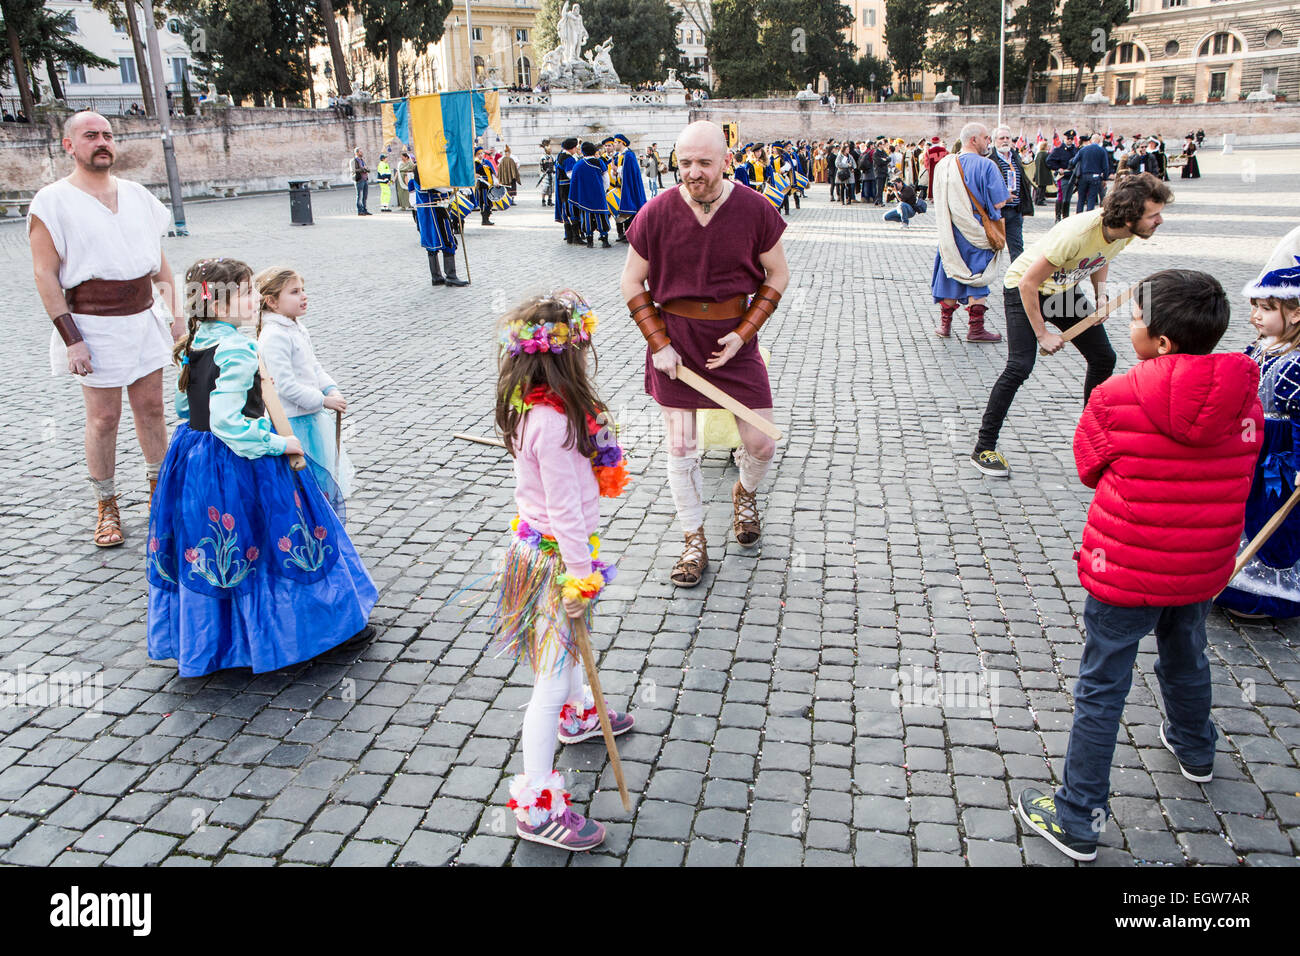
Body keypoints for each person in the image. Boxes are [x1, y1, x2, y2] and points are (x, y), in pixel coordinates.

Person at [1017, 270, 1262, 861]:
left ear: (1162, 342)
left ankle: (1077, 815)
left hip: (1126, 566)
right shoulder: (1243, 397)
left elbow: (1090, 467)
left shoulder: (1114, 397)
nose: (1127, 325)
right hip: (1202, 564)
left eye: (1134, 318)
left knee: (1102, 683)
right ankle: (1194, 747)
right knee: (1187, 651)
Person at [147, 257, 378, 678]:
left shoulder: (195, 343)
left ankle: (225, 639)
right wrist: (279, 441)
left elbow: (186, 407)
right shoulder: (238, 345)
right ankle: (303, 631)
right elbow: (228, 422)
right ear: (216, 302)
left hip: (195, 457)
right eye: (247, 292)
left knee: (226, 544)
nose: (255, 299)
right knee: (275, 539)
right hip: (240, 461)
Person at [491, 290, 633, 850]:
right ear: (566, 356)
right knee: (549, 679)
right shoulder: (550, 424)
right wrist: (580, 576)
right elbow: (566, 511)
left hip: (555, 552)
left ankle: (579, 716)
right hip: (555, 560)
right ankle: (536, 805)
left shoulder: (544, 409)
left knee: (572, 648)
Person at [620, 121, 789, 587]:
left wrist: (744, 332)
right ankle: (693, 537)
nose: (694, 172)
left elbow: (777, 274)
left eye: (704, 163)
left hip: (736, 342)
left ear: (726, 161)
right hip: (676, 342)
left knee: (761, 443)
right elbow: (631, 283)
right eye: (686, 163)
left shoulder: (756, 210)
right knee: (682, 449)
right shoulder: (655, 213)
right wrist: (659, 344)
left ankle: (744, 493)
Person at [28, 110, 185, 547]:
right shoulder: (51, 202)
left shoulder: (138, 196)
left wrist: (175, 315)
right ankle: (107, 505)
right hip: (92, 324)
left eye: (108, 135)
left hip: (143, 317)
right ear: (69, 145)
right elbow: (44, 274)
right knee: (103, 418)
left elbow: (160, 264)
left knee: (152, 409)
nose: (102, 142)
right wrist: (71, 339)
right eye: (91, 135)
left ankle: (160, 496)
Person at [971, 173, 1173, 478]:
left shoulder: (1126, 232)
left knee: (1104, 357)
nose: (1159, 221)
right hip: (1026, 290)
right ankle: (983, 447)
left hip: (1063, 292)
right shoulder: (1077, 234)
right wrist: (1042, 334)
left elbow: (1102, 256)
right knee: (1019, 366)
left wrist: (1101, 297)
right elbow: (1028, 283)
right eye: (1153, 215)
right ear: (1130, 215)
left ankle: (1091, 434)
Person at [1217, 261, 1300, 620]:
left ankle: (1266, 593)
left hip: (1277, 458)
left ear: (1296, 314)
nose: (1256, 316)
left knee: (1271, 518)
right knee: (1239, 512)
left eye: (1266, 309)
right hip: (1249, 446)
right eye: (1255, 307)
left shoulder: (1296, 364)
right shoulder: (1262, 346)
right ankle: (1227, 575)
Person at [255, 267, 355, 518]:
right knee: (302, 481)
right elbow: (285, 386)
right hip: (293, 423)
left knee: (322, 479)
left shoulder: (296, 327)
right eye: (295, 292)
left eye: (303, 290)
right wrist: (323, 401)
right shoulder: (274, 336)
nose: (304, 296)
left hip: (311, 417)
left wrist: (330, 388)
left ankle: (323, 523)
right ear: (272, 301)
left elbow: (313, 366)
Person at [931, 122, 1009, 343]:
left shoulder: (945, 165)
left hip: (951, 230)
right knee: (977, 277)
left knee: (949, 273)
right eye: (986, 138)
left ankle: (944, 325)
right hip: (977, 229)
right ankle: (976, 330)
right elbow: (1000, 200)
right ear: (973, 139)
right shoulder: (987, 166)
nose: (988, 143)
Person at [407, 167, 469, 287]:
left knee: (433, 244)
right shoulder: (423, 173)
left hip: (430, 212)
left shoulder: (424, 171)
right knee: (447, 241)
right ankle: (450, 276)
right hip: (435, 212)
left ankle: (436, 277)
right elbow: (440, 187)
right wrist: (456, 186)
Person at [989, 125, 1034, 262]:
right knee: (991, 249)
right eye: (1001, 138)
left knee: (1017, 250)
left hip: (1015, 211)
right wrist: (1002, 196)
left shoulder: (1015, 158)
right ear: (994, 140)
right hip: (997, 212)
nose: (1005, 141)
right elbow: (986, 187)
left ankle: (1015, 282)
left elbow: (1024, 184)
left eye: (1008, 138)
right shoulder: (990, 159)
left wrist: (1024, 208)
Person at [568, 141, 611, 248]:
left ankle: (589, 240)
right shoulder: (599, 162)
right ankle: (604, 239)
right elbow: (606, 179)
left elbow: (574, 181)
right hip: (599, 194)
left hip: (584, 195)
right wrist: (603, 190)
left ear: (583, 152)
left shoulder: (578, 164)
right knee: (601, 215)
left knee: (586, 215)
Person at [610, 133, 647, 242]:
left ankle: (632, 234)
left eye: (616, 142)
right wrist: (614, 171)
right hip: (621, 186)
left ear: (622, 143)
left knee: (631, 209)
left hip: (629, 187)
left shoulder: (629, 155)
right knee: (623, 210)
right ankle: (624, 233)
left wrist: (617, 169)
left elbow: (629, 172)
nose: (614, 144)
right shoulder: (619, 155)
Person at [1070, 133, 1113, 213]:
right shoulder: (1102, 150)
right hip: (1095, 177)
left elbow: (1074, 161)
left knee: (1081, 199)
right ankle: (1089, 216)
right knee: (1091, 199)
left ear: (1090, 140)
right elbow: (1106, 167)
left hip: (1083, 176)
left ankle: (1078, 215)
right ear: (1099, 141)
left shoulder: (1083, 149)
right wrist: (1105, 178)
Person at [1047, 129, 1079, 221]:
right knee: (1061, 196)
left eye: (1072, 139)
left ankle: (1065, 216)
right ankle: (1058, 216)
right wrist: (1058, 168)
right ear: (1064, 138)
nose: (1070, 140)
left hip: (1072, 176)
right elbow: (1049, 161)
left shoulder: (1075, 150)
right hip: (1062, 176)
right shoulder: (1058, 150)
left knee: (1068, 197)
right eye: (1068, 138)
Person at [555, 137, 580, 242]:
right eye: (575, 148)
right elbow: (571, 174)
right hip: (568, 187)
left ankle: (569, 235)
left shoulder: (560, 155)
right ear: (572, 148)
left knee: (566, 209)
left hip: (561, 187)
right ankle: (575, 237)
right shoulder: (568, 159)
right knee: (572, 210)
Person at [473, 146, 495, 226]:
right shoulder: (475, 163)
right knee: (484, 201)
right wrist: (475, 175)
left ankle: (488, 218)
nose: (480, 155)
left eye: (481, 153)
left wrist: (496, 181)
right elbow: (471, 173)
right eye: (478, 154)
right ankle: (484, 219)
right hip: (482, 185)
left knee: (489, 201)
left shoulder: (487, 162)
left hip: (490, 184)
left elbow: (493, 172)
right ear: (476, 155)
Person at [351, 148, 371, 216]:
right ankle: (360, 211)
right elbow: (353, 170)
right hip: (359, 180)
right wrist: (363, 169)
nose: (362, 153)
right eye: (360, 152)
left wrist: (366, 169)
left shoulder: (362, 160)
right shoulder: (353, 161)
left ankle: (364, 210)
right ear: (356, 153)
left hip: (365, 179)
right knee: (359, 196)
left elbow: (366, 168)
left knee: (365, 196)